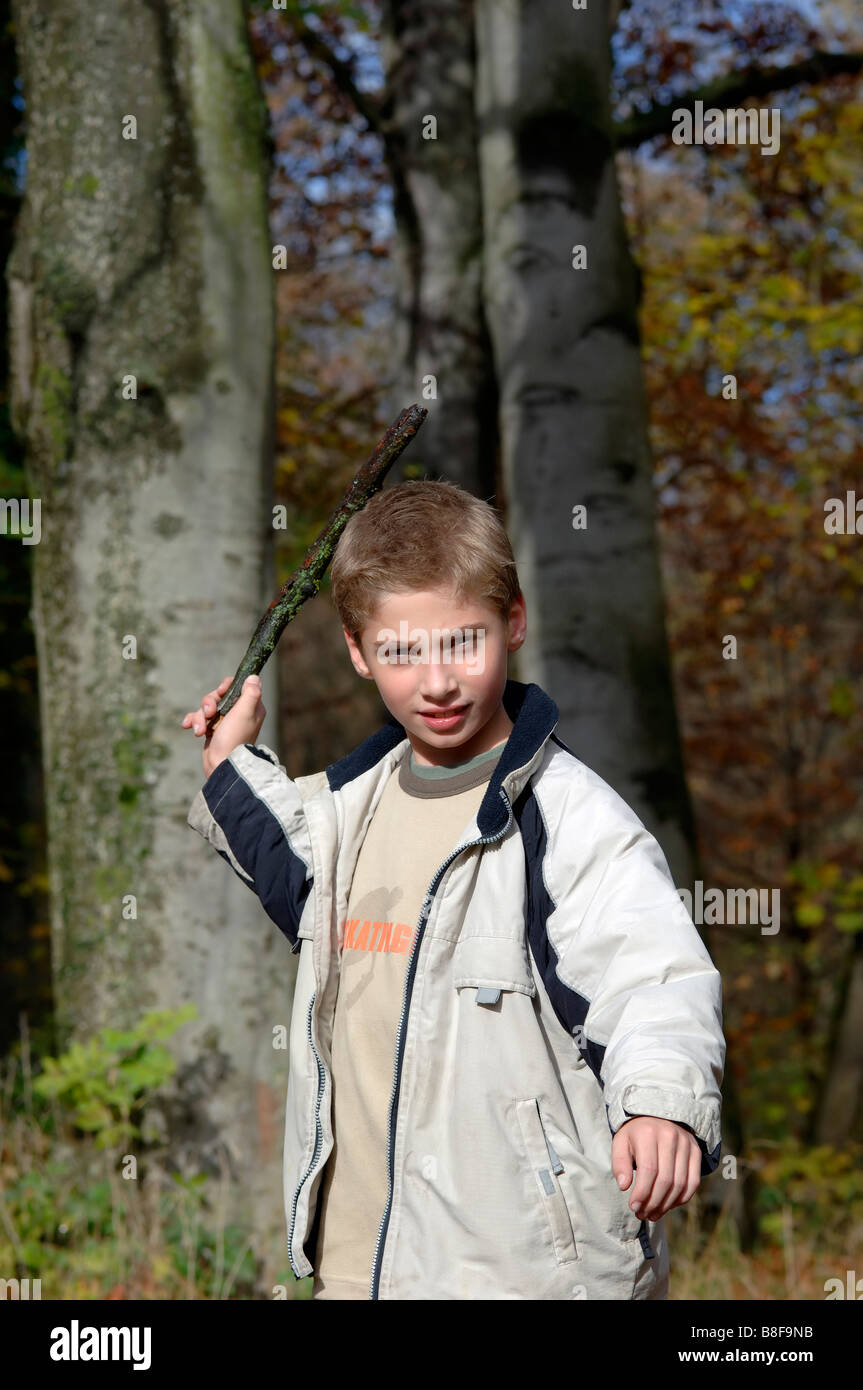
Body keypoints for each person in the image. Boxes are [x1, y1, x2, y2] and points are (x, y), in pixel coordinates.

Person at [182, 479, 725, 1301]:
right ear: (358, 651)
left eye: (462, 642)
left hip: (520, 1273)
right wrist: (230, 761)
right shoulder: (349, 809)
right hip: (356, 1270)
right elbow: (290, 867)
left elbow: (651, 977)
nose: (435, 682)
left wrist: (660, 1104)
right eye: (400, 652)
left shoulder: (567, 815)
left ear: (513, 623)